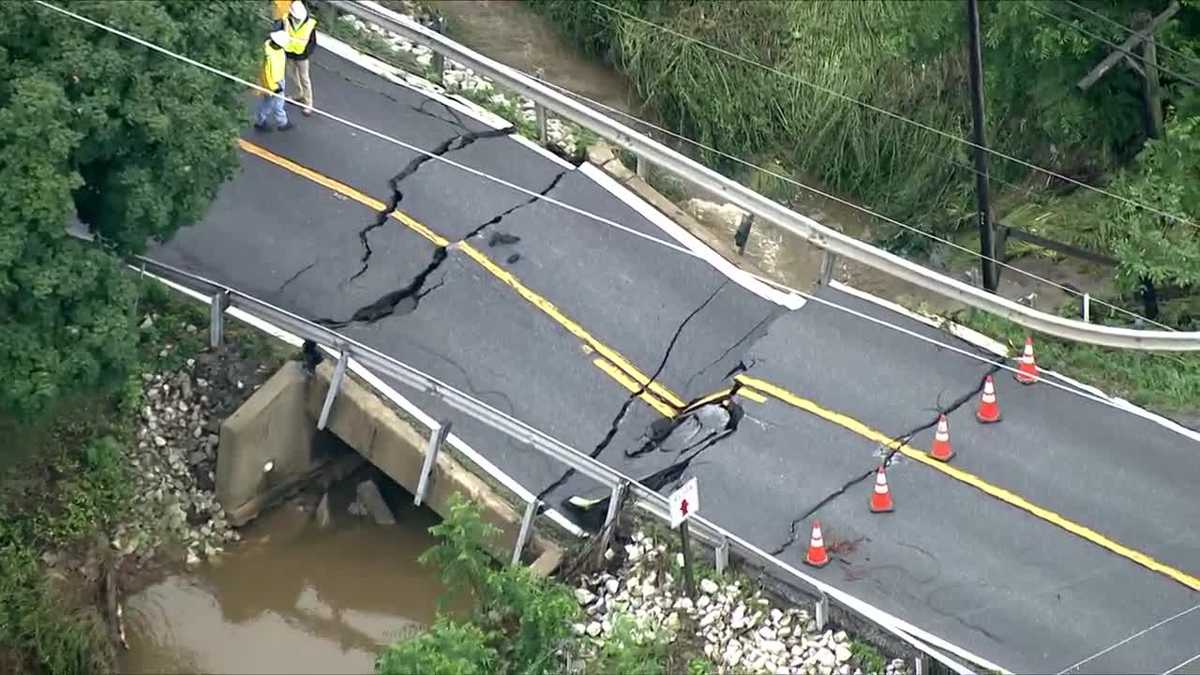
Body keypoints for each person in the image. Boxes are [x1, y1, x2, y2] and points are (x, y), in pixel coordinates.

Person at [254, 29, 292, 131]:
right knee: (276, 103)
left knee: (269, 102)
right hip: (274, 83)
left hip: (277, 80)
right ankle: (282, 122)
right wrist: (274, 87)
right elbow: (266, 73)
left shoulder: (270, 48)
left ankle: (261, 121)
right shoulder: (269, 55)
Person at [284, 1, 317, 116]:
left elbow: (312, 42)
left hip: (302, 55)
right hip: (289, 52)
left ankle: (308, 103)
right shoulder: (287, 19)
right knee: (291, 74)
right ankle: (299, 93)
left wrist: (306, 53)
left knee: (305, 78)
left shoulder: (310, 24)